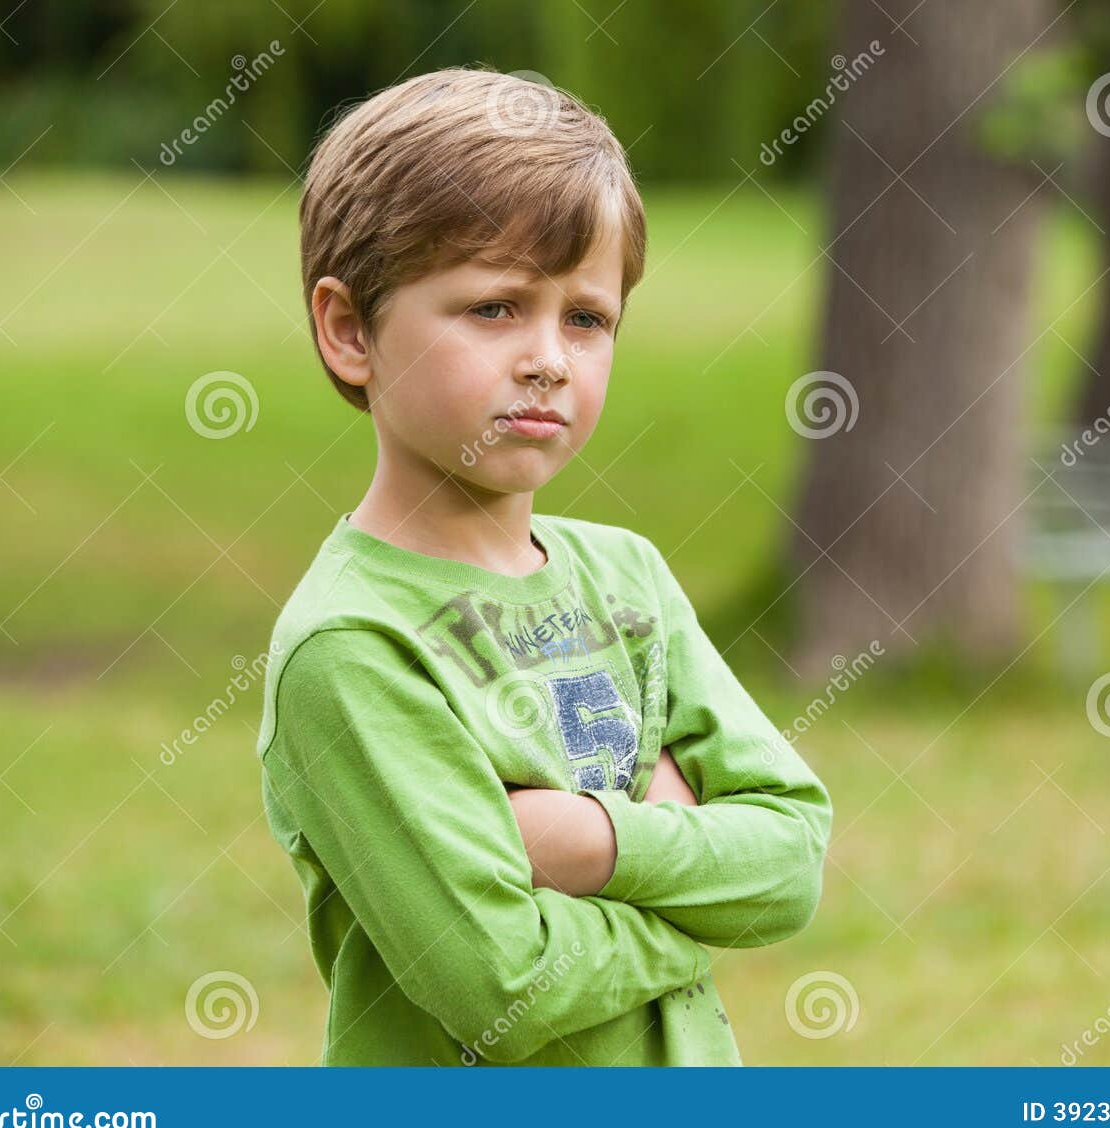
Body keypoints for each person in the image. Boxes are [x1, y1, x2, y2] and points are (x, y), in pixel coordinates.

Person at [256, 66, 832, 1066]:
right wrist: (691, 883)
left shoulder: (628, 578)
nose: (549, 359)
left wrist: (587, 842)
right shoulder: (353, 645)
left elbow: (790, 860)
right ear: (350, 330)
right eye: (493, 309)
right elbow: (504, 984)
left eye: (586, 317)